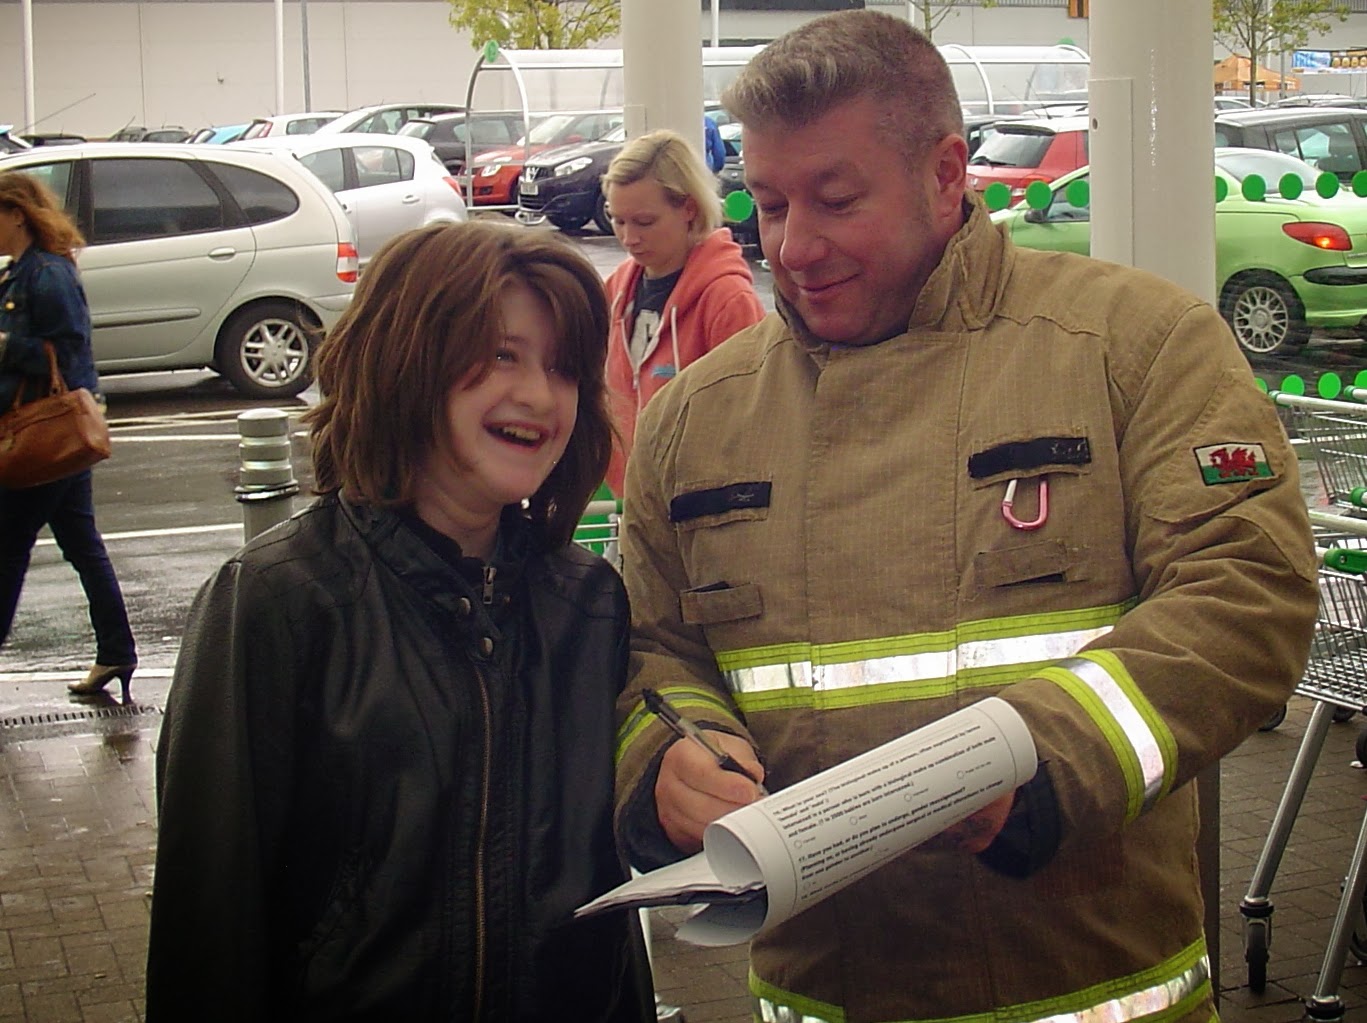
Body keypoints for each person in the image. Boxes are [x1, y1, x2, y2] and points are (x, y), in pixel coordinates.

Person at [613, 11, 1318, 1023]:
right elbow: (649, 646)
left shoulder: (1131, 346)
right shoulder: (690, 420)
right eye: (766, 204)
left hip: (1087, 981)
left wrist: (1040, 758)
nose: (793, 246)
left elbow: (1244, 594)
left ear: (946, 174)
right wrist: (671, 756)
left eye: (835, 198)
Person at [147, 221, 653, 1022]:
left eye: (562, 368)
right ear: (407, 358)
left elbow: (609, 908)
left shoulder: (586, 603)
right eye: (500, 355)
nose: (536, 396)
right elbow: (210, 923)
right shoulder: (278, 600)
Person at [0, 172, 137, 703]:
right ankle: (117, 651)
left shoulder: (49, 274)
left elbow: (70, 351)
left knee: (7, 548)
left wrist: (8, 347)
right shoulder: (21, 274)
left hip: (46, 435)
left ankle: (117, 651)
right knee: (82, 545)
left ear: (17, 214)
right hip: (53, 439)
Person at [601, 128, 764, 497]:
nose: (628, 238)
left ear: (688, 208)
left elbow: (751, 421)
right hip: (630, 500)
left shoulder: (727, 299)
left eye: (644, 222)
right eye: (617, 220)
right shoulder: (615, 289)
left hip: (699, 505)